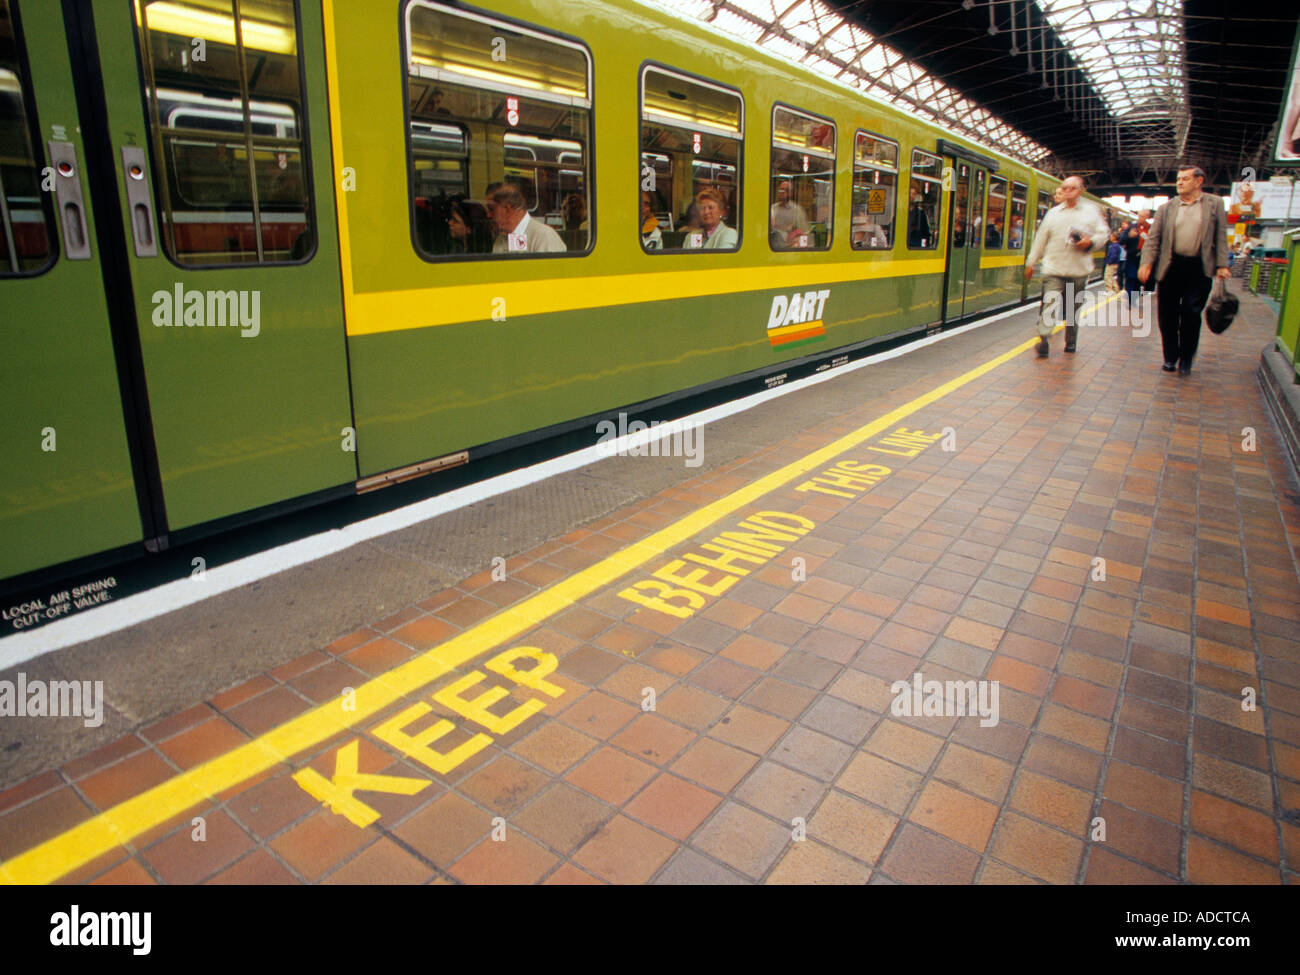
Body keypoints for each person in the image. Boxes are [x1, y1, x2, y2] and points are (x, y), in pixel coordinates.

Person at [1138, 166, 1230, 375]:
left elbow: (1220, 237)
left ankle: (1186, 358)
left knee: (1191, 313)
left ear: (1199, 181)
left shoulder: (1215, 204)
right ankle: (1170, 357)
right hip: (1170, 267)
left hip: (1199, 268)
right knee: (1167, 315)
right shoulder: (1166, 208)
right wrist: (1147, 262)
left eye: (1185, 179)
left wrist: (1222, 265)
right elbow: (1154, 239)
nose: (1179, 182)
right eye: (1178, 179)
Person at [1023, 175, 1109, 357]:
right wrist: (1031, 262)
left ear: (1081, 190)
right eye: (1065, 187)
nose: (1067, 191)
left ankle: (1071, 341)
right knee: (1051, 302)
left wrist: (1090, 242)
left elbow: (1104, 233)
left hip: (1078, 270)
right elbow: (1040, 239)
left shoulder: (1091, 211)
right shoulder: (1053, 214)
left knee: (1073, 308)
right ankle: (1044, 338)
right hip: (1054, 268)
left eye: (1072, 188)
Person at [489, 184, 565, 253]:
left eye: (492, 209)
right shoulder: (501, 239)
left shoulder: (543, 237)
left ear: (507, 209)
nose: (488, 215)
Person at [770, 179, 809, 248]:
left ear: (790, 193)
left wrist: (802, 250)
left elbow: (805, 233)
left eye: (785, 190)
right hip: (773, 247)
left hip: (791, 250)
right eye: (780, 190)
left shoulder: (797, 211)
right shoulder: (773, 209)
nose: (782, 193)